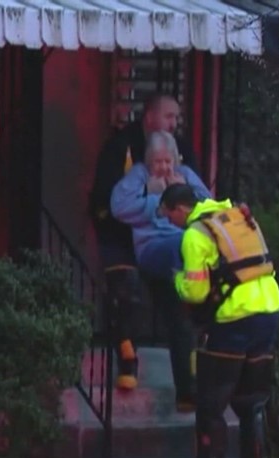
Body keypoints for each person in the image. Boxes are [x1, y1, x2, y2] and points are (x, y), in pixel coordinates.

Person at [158, 184, 279, 458]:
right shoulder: (235, 216)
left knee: (210, 401)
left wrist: (176, 282)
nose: (169, 223)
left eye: (168, 216)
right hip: (270, 310)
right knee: (251, 400)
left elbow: (197, 292)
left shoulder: (194, 235)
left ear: (179, 209)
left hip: (233, 318)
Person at [88, 94, 199, 392]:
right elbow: (111, 203)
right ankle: (127, 360)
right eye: (169, 117)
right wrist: (156, 204)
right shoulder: (121, 149)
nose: (175, 123)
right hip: (124, 236)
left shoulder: (183, 156)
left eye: (177, 118)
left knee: (180, 310)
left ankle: (189, 385)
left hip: (170, 241)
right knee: (126, 292)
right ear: (149, 117)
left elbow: (202, 201)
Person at [110, 132, 211, 411]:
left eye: (168, 161)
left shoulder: (185, 174)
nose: (164, 167)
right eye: (158, 162)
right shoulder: (139, 176)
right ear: (148, 161)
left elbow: (209, 204)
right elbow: (119, 208)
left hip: (182, 252)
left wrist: (185, 193)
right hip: (153, 246)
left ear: (176, 159)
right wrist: (156, 199)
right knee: (189, 242)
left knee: (182, 319)